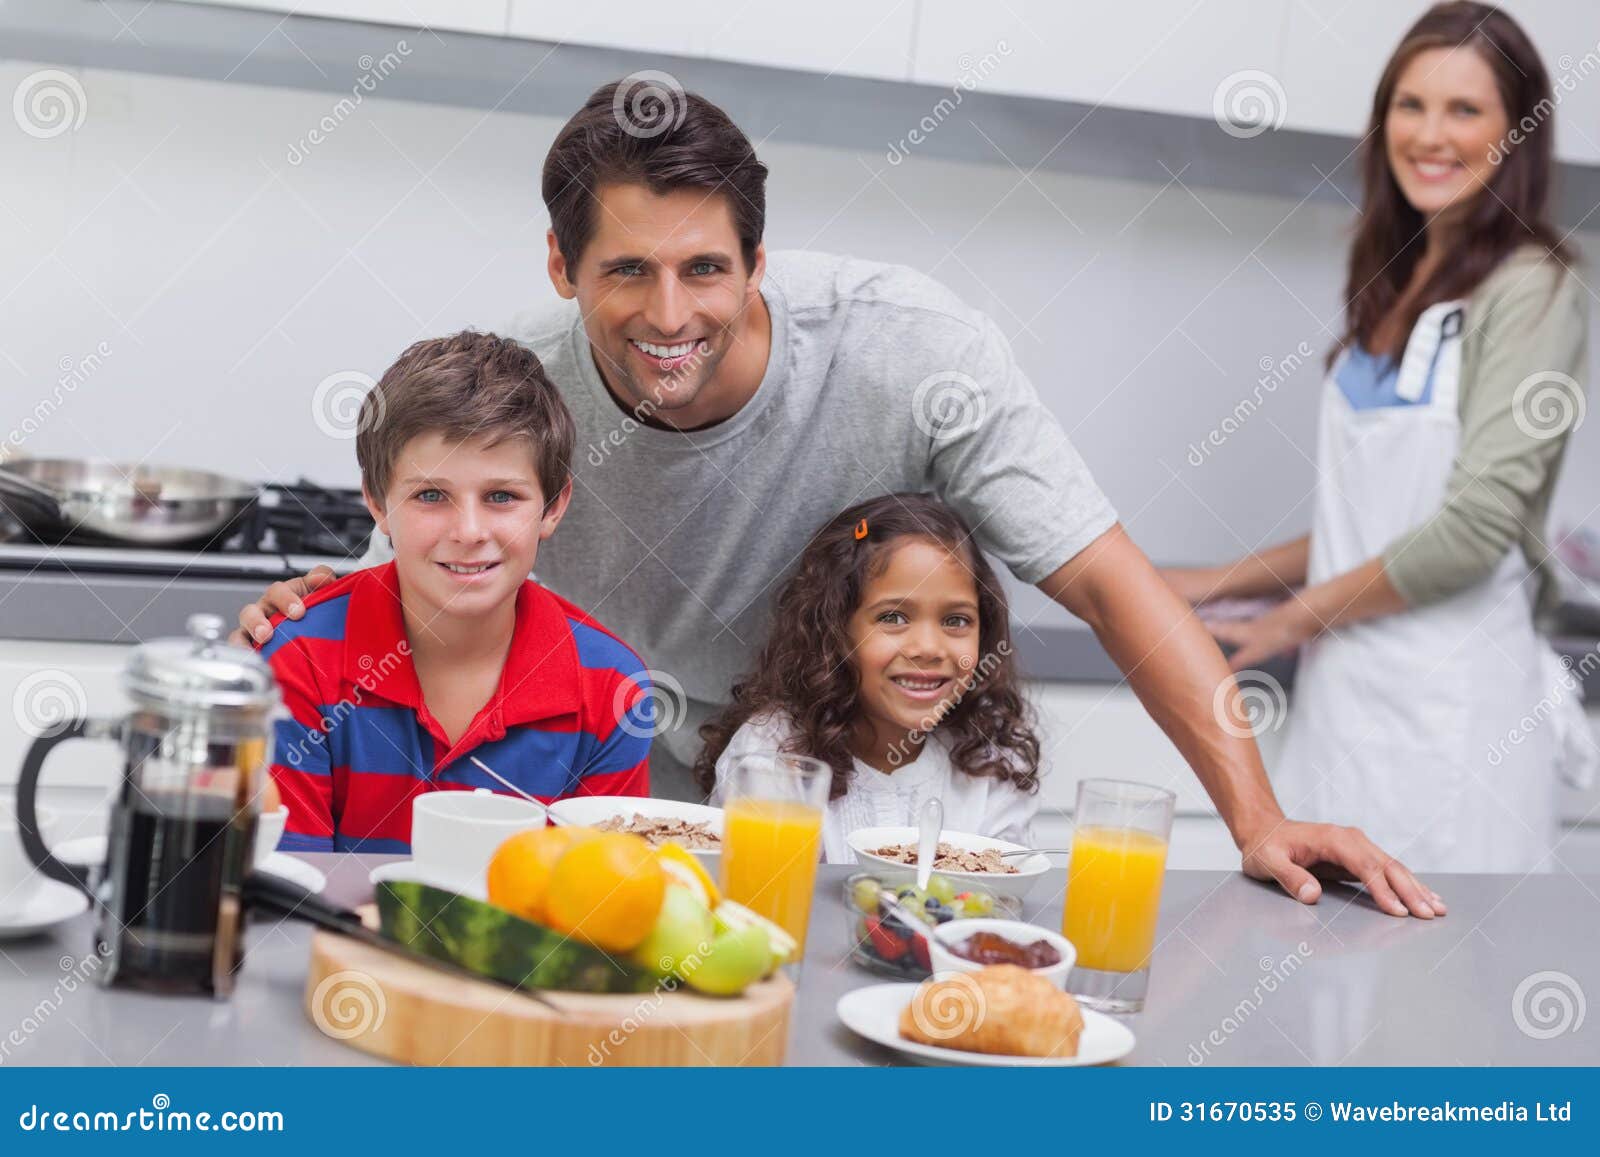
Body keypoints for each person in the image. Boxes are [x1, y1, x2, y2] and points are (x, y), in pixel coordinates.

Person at [240, 79, 1441, 915]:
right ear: (562, 268)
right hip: (612, 807)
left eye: (706, 267)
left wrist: (1257, 818)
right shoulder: (522, 384)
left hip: (822, 804)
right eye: (626, 273)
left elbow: (1113, 585)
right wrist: (325, 594)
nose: (670, 316)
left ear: (758, 261)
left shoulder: (912, 353)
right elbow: (416, 572)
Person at [1163, 2, 1590, 873]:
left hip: (1452, 721)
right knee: (1317, 987)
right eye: (1410, 104)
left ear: (1517, 133)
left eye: (1465, 110)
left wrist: (1286, 620)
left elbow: (1468, 534)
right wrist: (1219, 581)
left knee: (1428, 991)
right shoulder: (1396, 279)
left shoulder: (1534, 289)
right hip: (1345, 706)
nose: (1430, 135)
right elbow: (1384, 521)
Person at [260, 332, 652, 852]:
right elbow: (288, 899)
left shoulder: (612, 690)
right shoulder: (300, 660)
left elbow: (596, 910)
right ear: (378, 504)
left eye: (501, 497)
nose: (469, 532)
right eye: (430, 495)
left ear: (552, 508)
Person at [697, 494, 1039, 862]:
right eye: (893, 617)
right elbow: (760, 904)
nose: (928, 647)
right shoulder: (771, 756)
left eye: (955, 620)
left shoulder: (996, 763)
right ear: (835, 631)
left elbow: (997, 904)